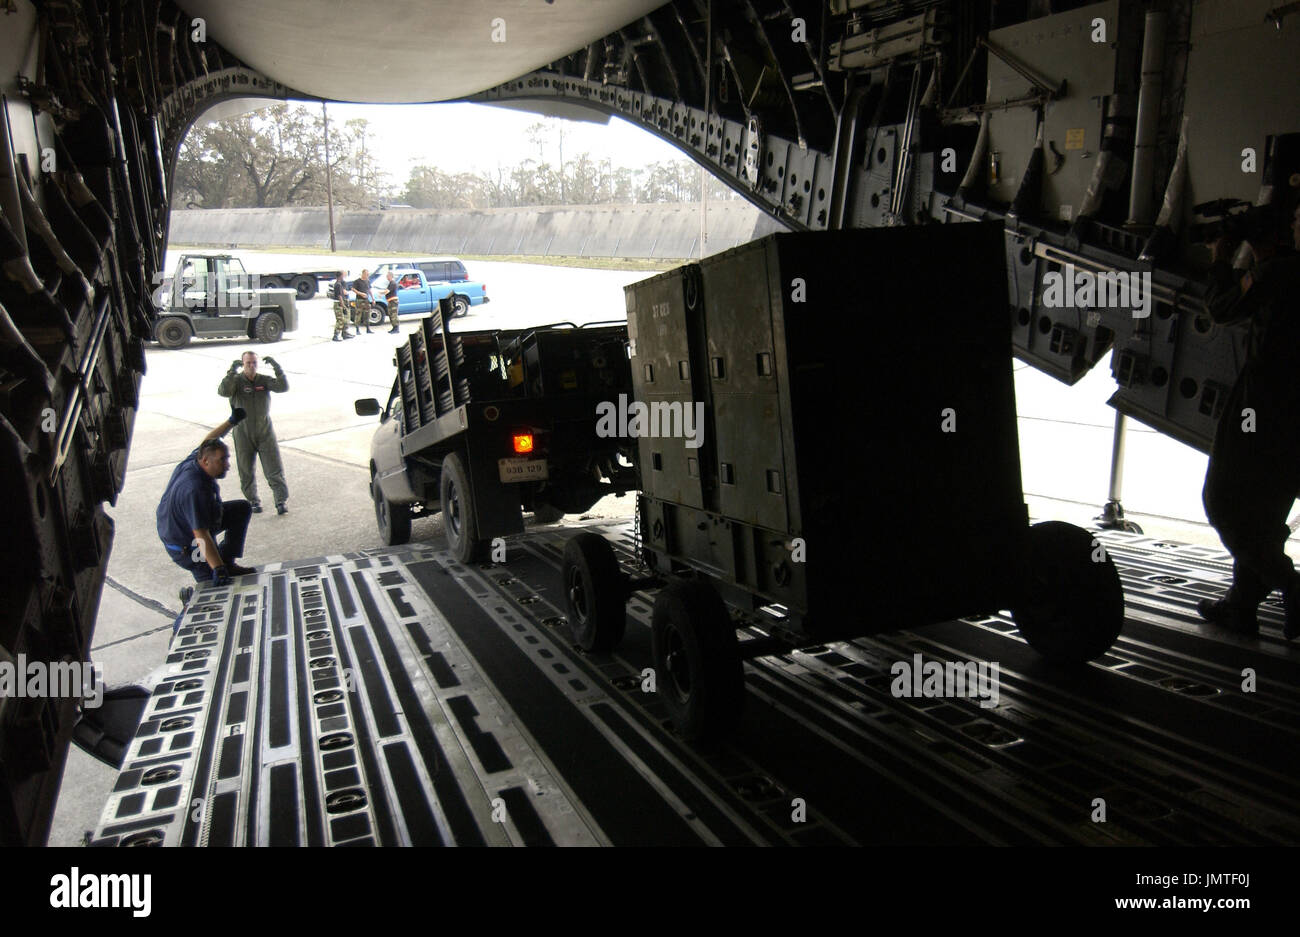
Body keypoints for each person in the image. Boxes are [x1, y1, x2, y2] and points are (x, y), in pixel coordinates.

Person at [1197, 198, 1300, 640]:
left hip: (1266, 403)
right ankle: (1242, 604)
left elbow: (1221, 307)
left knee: (1224, 501)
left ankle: (1292, 585)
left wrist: (1220, 260)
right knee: (1266, 506)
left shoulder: (1278, 273)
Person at [156, 411, 256, 586]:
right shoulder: (195, 490)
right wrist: (217, 569)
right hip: (186, 547)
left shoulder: (196, 459)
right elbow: (200, 534)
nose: (227, 465)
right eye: (222, 461)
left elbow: (208, 441)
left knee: (241, 509)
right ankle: (212, 575)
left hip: (192, 524)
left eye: (226, 459)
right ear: (206, 462)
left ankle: (228, 562)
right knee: (216, 587)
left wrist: (231, 422)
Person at [218, 350, 291, 514]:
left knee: (274, 468)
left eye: (254, 363)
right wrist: (231, 372)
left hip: (265, 431)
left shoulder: (263, 380)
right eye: (247, 363)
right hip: (242, 432)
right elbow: (223, 391)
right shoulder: (236, 381)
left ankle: (280, 501)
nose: (251, 366)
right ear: (243, 364)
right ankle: (253, 501)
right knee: (246, 470)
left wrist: (277, 368)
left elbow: (283, 387)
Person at [331, 270, 354, 341]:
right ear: (340, 276)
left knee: (345, 319)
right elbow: (339, 296)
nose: (344, 276)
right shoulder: (337, 285)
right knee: (340, 320)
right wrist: (343, 305)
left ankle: (345, 334)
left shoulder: (340, 284)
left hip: (341, 302)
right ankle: (336, 335)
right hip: (338, 303)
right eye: (343, 275)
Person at [352, 268, 373, 334]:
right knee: (358, 314)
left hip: (366, 300)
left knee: (367, 314)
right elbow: (353, 289)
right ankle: (357, 329)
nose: (367, 275)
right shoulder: (357, 281)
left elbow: (369, 290)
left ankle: (368, 328)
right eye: (366, 274)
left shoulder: (368, 281)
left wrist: (372, 298)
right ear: (363, 274)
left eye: (368, 274)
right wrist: (360, 293)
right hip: (359, 300)